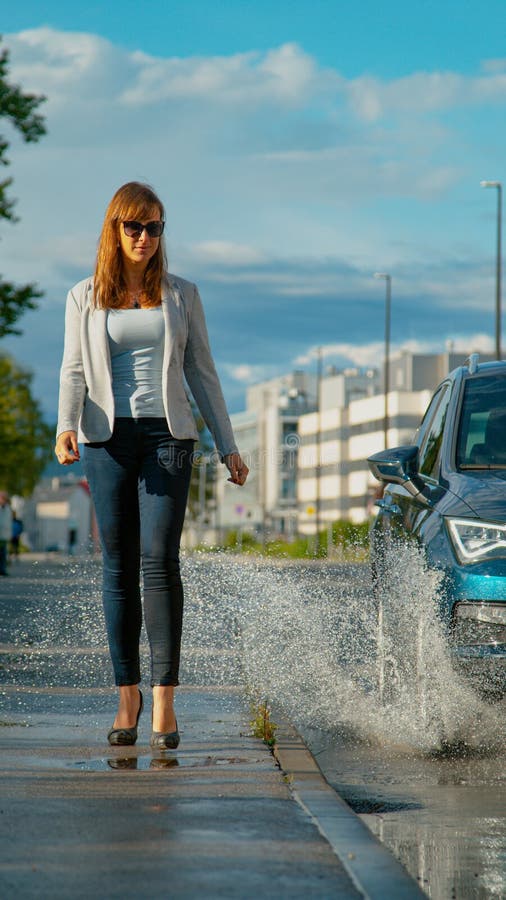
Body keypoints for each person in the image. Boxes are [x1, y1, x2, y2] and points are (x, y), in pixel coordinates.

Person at [55, 182, 248, 750]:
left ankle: (164, 699)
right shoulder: (84, 297)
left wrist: (229, 445)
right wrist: (66, 425)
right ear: (114, 230)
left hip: (169, 436)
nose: (144, 237)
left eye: (154, 228)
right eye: (133, 227)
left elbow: (202, 373)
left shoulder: (182, 294)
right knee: (118, 566)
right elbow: (72, 369)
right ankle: (127, 695)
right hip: (105, 439)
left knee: (159, 560)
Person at [0, 492, 11, 576]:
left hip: (4, 535)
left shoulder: (8, 508)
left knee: (3, 553)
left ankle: (2, 570)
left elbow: (8, 522)